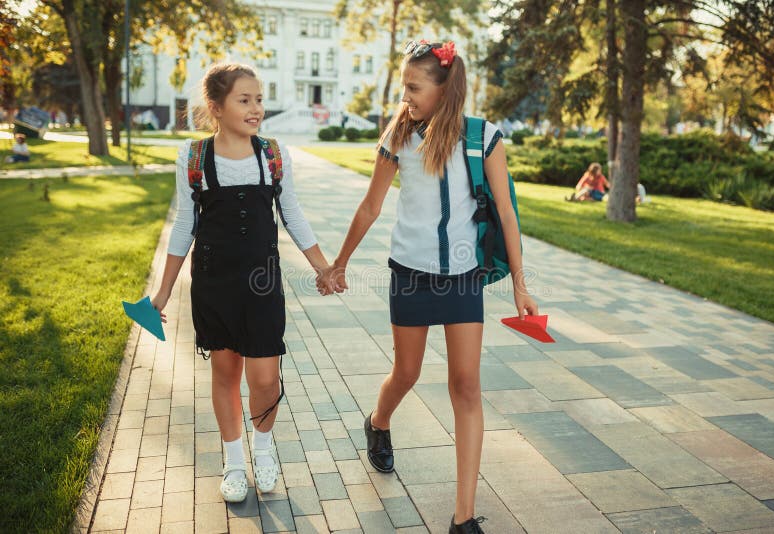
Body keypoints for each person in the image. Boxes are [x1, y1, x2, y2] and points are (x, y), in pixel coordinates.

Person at [319, 40, 538, 534]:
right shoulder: (398, 136)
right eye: (404, 86)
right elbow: (371, 206)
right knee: (408, 372)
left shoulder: (485, 138)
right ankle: (379, 421)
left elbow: (506, 213)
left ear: (444, 88)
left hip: (462, 278)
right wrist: (339, 263)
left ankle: (463, 518)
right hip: (411, 274)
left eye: (414, 87)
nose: (406, 96)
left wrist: (521, 286)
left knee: (466, 385)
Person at [150, 63, 336, 503]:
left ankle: (264, 450)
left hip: (262, 283)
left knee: (265, 378)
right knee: (225, 373)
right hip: (213, 283)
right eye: (244, 100)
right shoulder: (193, 158)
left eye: (259, 99)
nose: (256, 108)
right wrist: (161, 292)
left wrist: (323, 267)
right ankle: (234, 463)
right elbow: (183, 227)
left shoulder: (273, 155)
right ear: (216, 107)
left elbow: (292, 215)